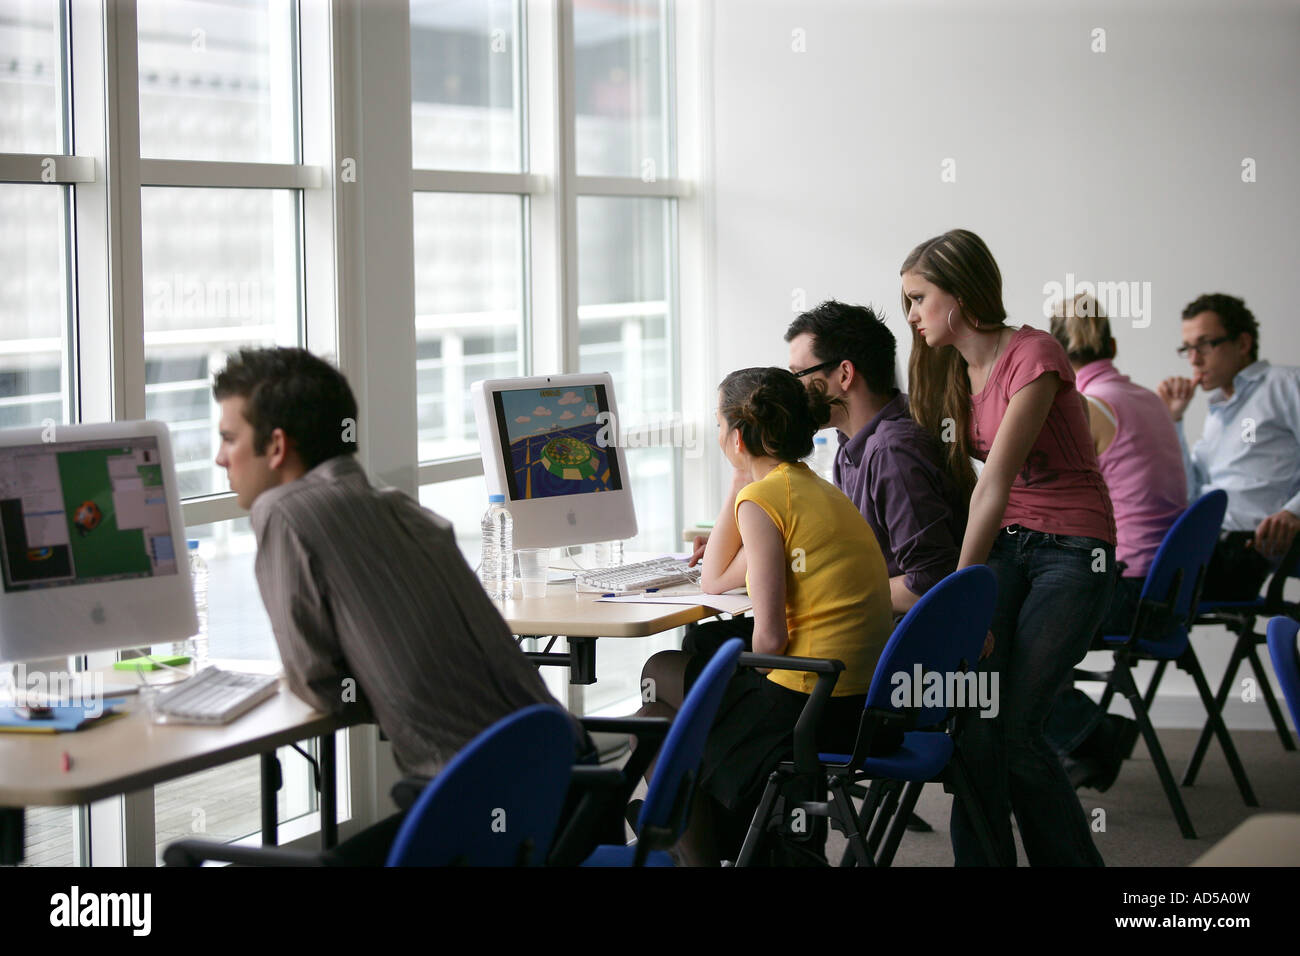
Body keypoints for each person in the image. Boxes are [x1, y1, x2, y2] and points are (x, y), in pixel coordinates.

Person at [212, 347, 586, 863]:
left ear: (276, 446)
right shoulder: (400, 507)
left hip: (479, 818)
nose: (220, 457)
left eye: (230, 439)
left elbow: (322, 686)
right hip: (564, 791)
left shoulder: (286, 512)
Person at [902, 229, 1116, 867]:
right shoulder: (946, 369)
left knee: (1019, 731)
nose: (910, 315)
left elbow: (991, 485)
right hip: (1010, 546)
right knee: (974, 722)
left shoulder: (1035, 353)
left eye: (918, 298)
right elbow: (953, 483)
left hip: (1073, 548)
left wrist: (960, 602)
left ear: (960, 296)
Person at [632, 367, 897, 865]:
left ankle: (702, 849)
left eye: (718, 425)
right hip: (857, 698)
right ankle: (722, 839)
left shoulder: (764, 499)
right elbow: (718, 578)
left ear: (736, 435)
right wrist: (740, 477)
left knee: (655, 707)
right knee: (669, 689)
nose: (714, 437)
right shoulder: (808, 489)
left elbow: (770, 639)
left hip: (809, 702)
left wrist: (738, 482)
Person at [1043, 294, 1186, 790]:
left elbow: (1052, 502)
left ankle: (1089, 735)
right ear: (1115, 345)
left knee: (1012, 623)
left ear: (1055, 358)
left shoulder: (1084, 407)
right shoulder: (1147, 399)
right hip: (1166, 590)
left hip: (1127, 593)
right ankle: (1087, 737)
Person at [786, 299, 966, 618]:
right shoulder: (850, 448)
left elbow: (929, 585)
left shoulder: (892, 451)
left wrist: (834, 592)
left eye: (800, 374)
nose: (793, 390)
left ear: (844, 375)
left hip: (894, 645)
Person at [1157, 293, 1300, 600]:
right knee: (1130, 562)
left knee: (1139, 588)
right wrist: (1175, 420)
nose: (1194, 359)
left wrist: (1294, 513)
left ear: (1243, 344)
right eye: (1188, 349)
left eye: (1205, 345)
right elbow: (1190, 491)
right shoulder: (1218, 412)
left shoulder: (1285, 384)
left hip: (1248, 546)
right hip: (1209, 542)